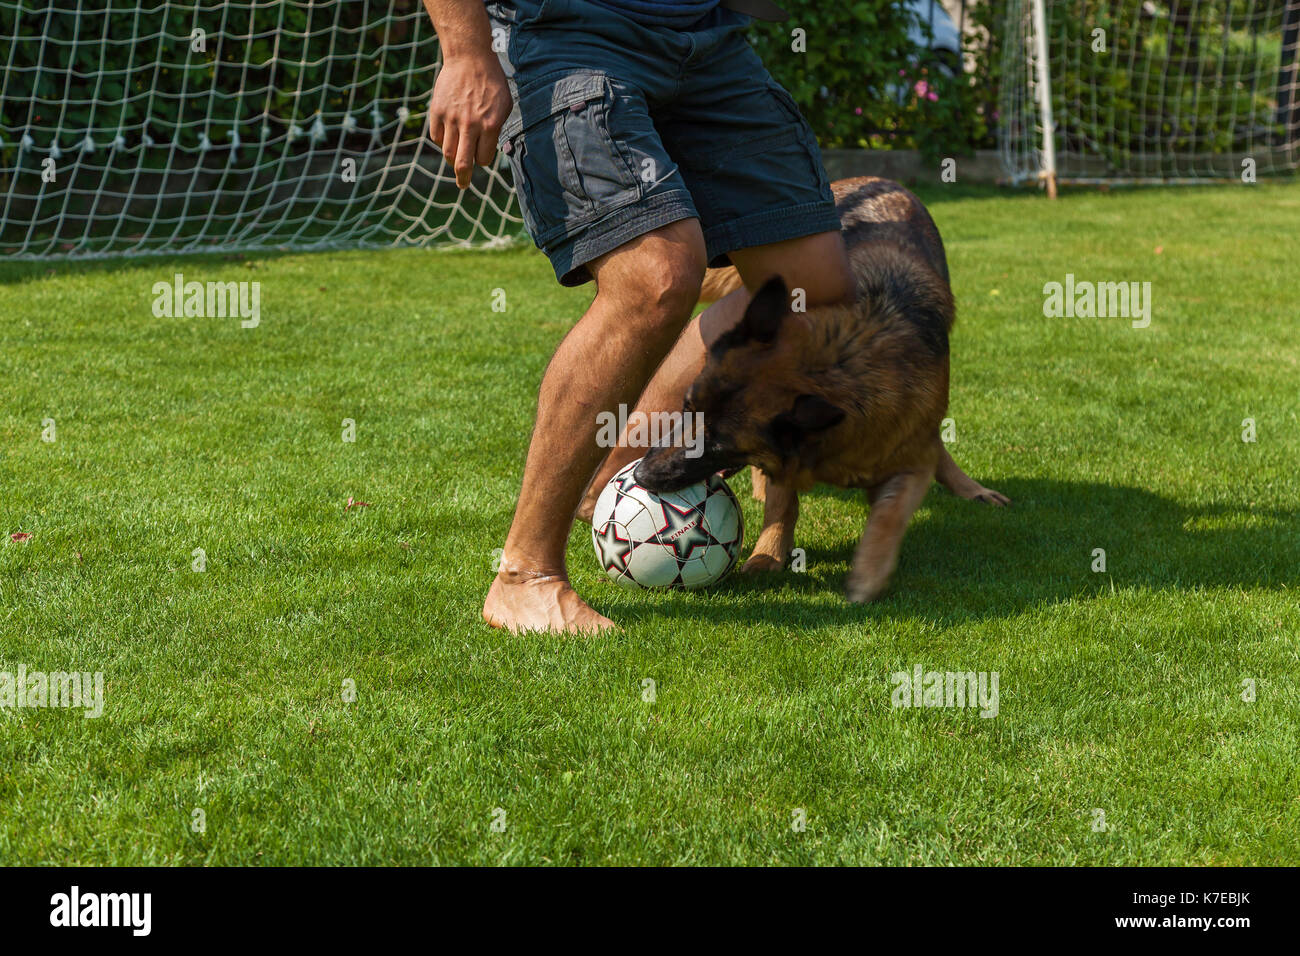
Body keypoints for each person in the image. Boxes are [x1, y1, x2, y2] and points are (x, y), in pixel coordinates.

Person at [422, 0, 854, 633]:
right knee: (655, 278)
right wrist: (465, 52)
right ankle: (525, 575)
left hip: (708, 41)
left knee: (813, 289)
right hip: (568, 33)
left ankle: (616, 475)